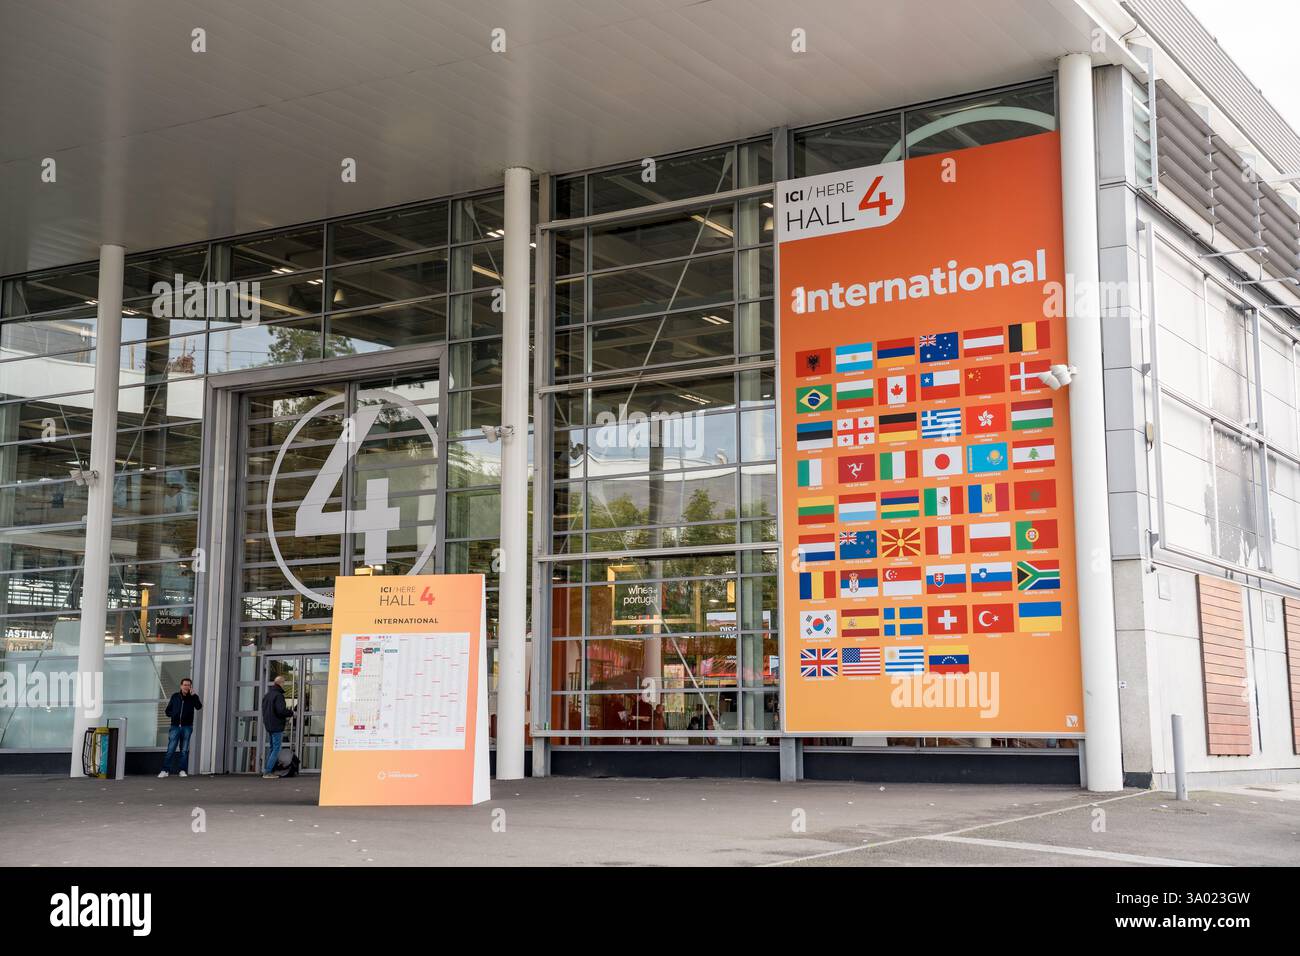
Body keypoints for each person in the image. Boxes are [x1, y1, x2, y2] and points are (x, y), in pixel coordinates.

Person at [159, 678, 202, 778]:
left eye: (189, 685)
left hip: (187, 727)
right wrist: (174, 715)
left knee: (184, 750)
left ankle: (182, 770)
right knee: (170, 749)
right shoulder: (175, 696)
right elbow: (167, 711)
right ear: (181, 686)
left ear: (191, 687)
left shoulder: (193, 697)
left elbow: (199, 707)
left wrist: (194, 696)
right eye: (185, 685)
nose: (187, 687)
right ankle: (165, 770)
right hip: (175, 727)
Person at [260, 675, 294, 779]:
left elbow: (265, 711)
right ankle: (268, 771)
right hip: (277, 725)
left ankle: (268, 770)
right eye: (284, 683)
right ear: (281, 683)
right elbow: (281, 711)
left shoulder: (267, 695)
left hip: (269, 725)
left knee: (272, 748)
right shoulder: (278, 696)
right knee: (276, 749)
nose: (284, 685)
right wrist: (291, 713)